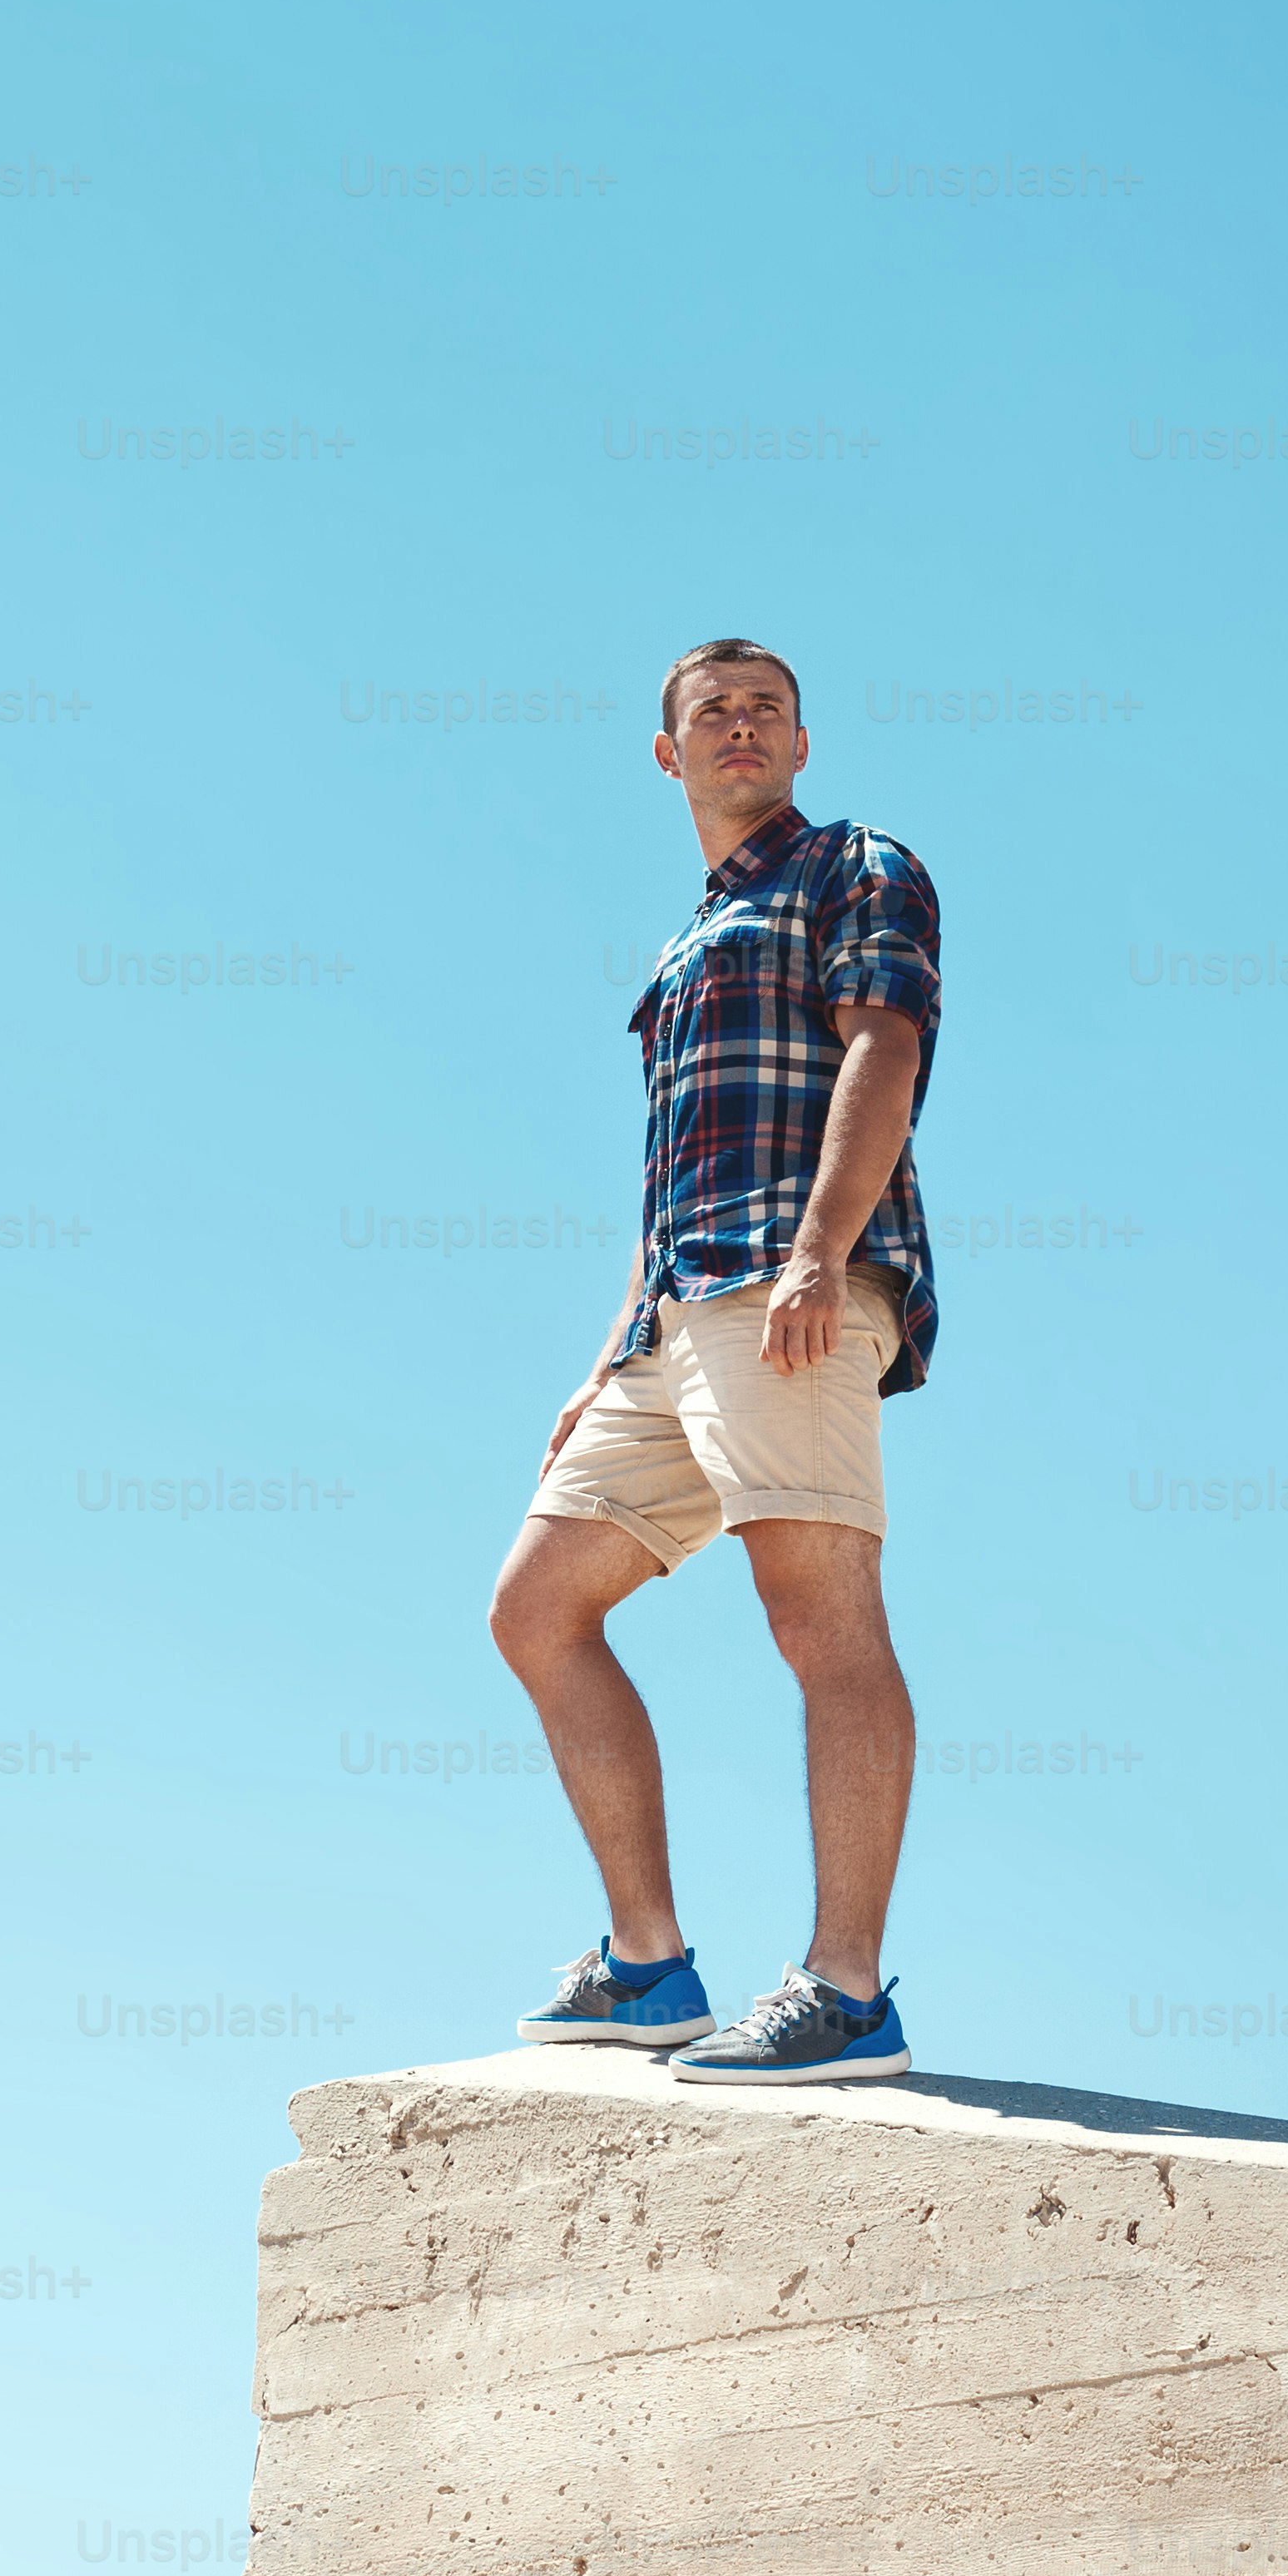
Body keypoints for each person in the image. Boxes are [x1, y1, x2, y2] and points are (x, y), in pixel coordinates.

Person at [493, 640, 939, 2082]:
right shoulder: (688, 939)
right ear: (669, 755)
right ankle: (647, 1964)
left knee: (819, 1617)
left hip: (786, 1285)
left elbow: (885, 1052)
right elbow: (664, 1167)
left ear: (802, 744)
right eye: (710, 714)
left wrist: (822, 1248)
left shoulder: (855, 867)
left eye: (766, 710)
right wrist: (607, 1351)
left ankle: (847, 1992)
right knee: (536, 1608)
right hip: (674, 1313)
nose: (740, 728)